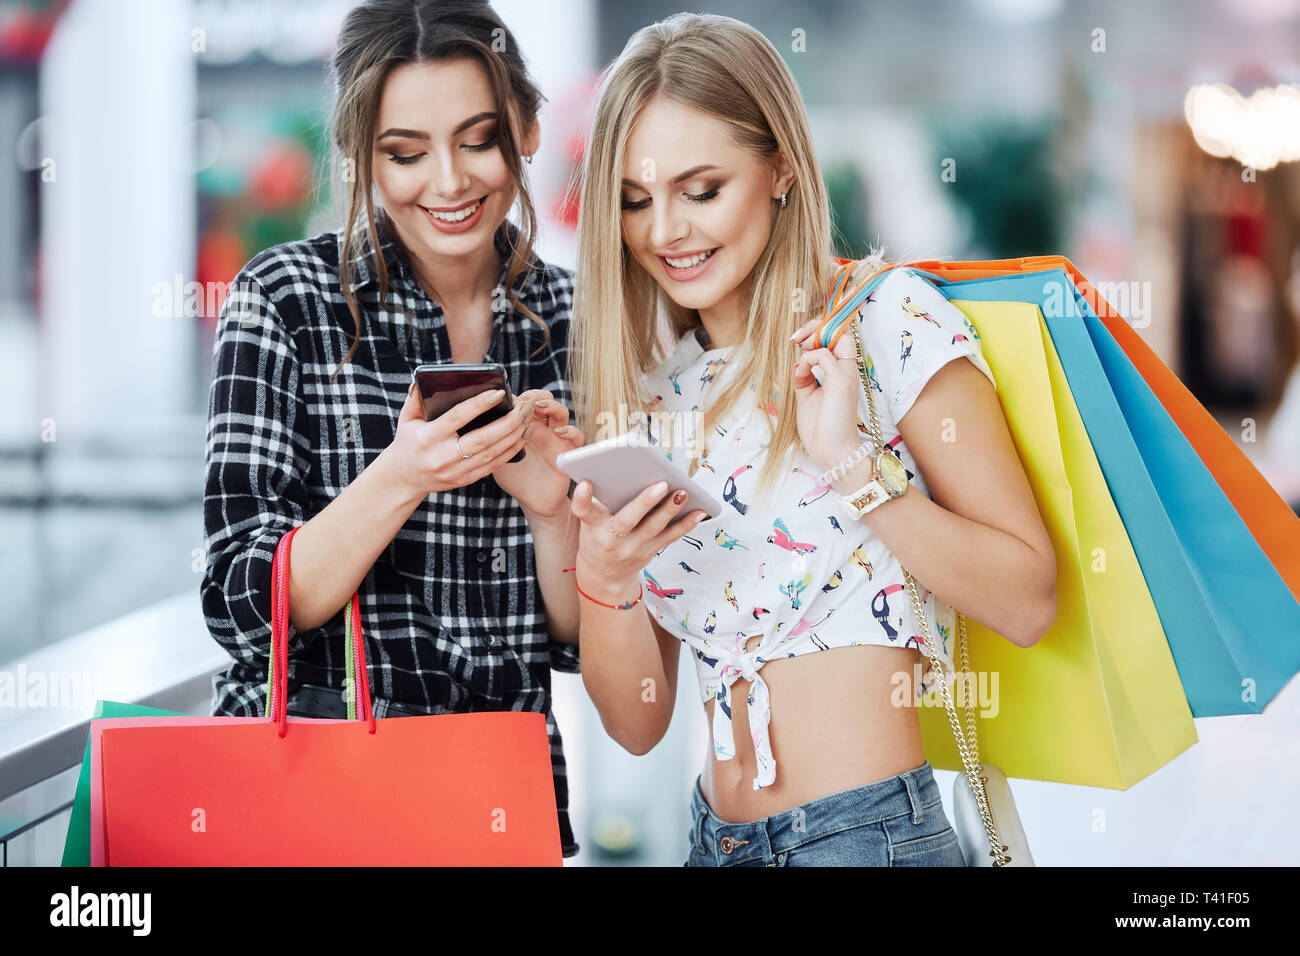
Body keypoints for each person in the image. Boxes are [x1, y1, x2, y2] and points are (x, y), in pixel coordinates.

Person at [561, 13, 1056, 866]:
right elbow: (640, 725)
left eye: (702, 189)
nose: (664, 231)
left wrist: (854, 467)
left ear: (781, 165)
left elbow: (1028, 601)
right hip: (710, 839)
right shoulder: (658, 397)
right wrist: (604, 578)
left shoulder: (886, 322)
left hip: (864, 837)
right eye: (635, 201)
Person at [200, 0, 586, 857]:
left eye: (478, 139)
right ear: (358, 155)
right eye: (404, 154)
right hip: (302, 807)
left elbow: (583, 644)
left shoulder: (576, 319)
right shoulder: (286, 301)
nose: (447, 183)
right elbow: (237, 603)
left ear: (525, 127)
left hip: (495, 803)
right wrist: (400, 477)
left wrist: (555, 511)